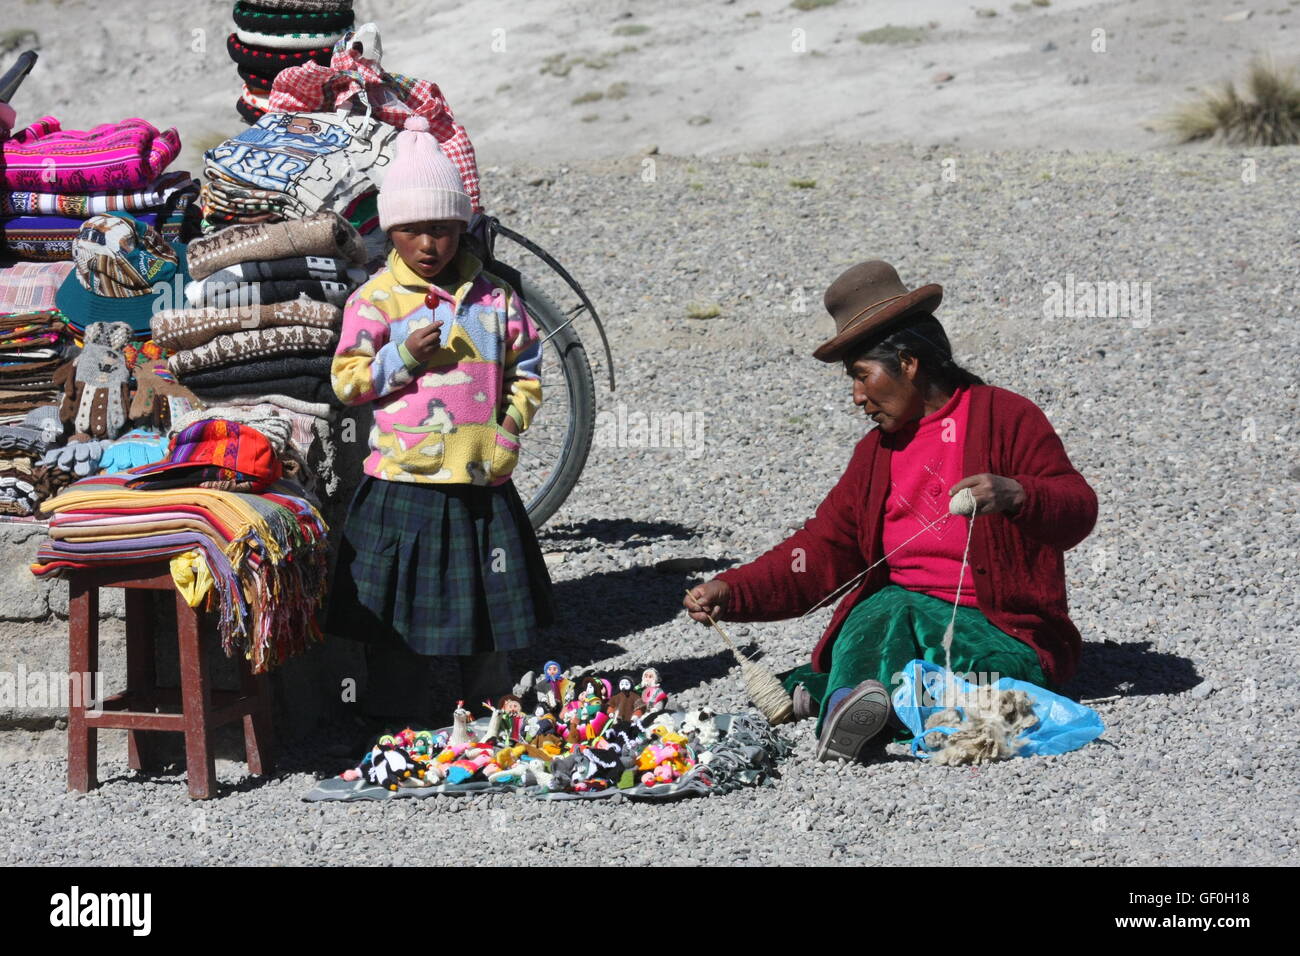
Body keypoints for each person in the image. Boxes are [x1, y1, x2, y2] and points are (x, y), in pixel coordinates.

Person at [684, 260, 1097, 762]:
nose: (857, 397)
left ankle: (842, 701)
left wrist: (1018, 495)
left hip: (1000, 634)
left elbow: (1078, 508)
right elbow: (822, 548)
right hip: (901, 632)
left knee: (900, 620)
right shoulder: (875, 455)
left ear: (908, 363)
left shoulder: (1006, 419)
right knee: (883, 613)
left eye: (862, 377)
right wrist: (734, 589)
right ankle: (863, 706)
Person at [328, 116, 554, 724]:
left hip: (482, 479)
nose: (430, 246)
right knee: (402, 613)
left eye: (444, 231)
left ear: (462, 229)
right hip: (405, 480)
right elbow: (348, 383)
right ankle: (397, 724)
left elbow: (527, 370)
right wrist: (403, 357)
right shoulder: (374, 300)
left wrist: (509, 428)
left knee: (485, 609)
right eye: (413, 231)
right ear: (392, 231)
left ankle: (488, 717)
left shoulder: (495, 299)